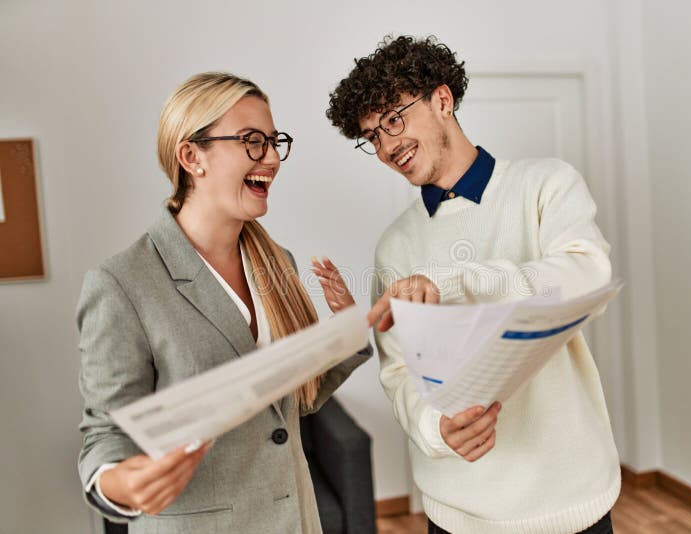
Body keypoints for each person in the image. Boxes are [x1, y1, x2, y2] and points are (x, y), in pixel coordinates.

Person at [326, 36, 619, 534]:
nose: (386, 145)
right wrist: (434, 430)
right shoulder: (394, 246)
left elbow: (588, 278)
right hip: (456, 513)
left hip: (570, 501)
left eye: (393, 119)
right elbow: (399, 372)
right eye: (371, 136)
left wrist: (455, 284)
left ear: (442, 100)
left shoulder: (546, 184)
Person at [77, 72, 370, 534]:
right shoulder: (121, 283)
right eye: (253, 141)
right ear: (192, 156)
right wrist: (117, 482)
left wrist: (348, 331)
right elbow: (105, 432)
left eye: (275, 142)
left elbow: (288, 405)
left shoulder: (279, 264)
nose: (272, 158)